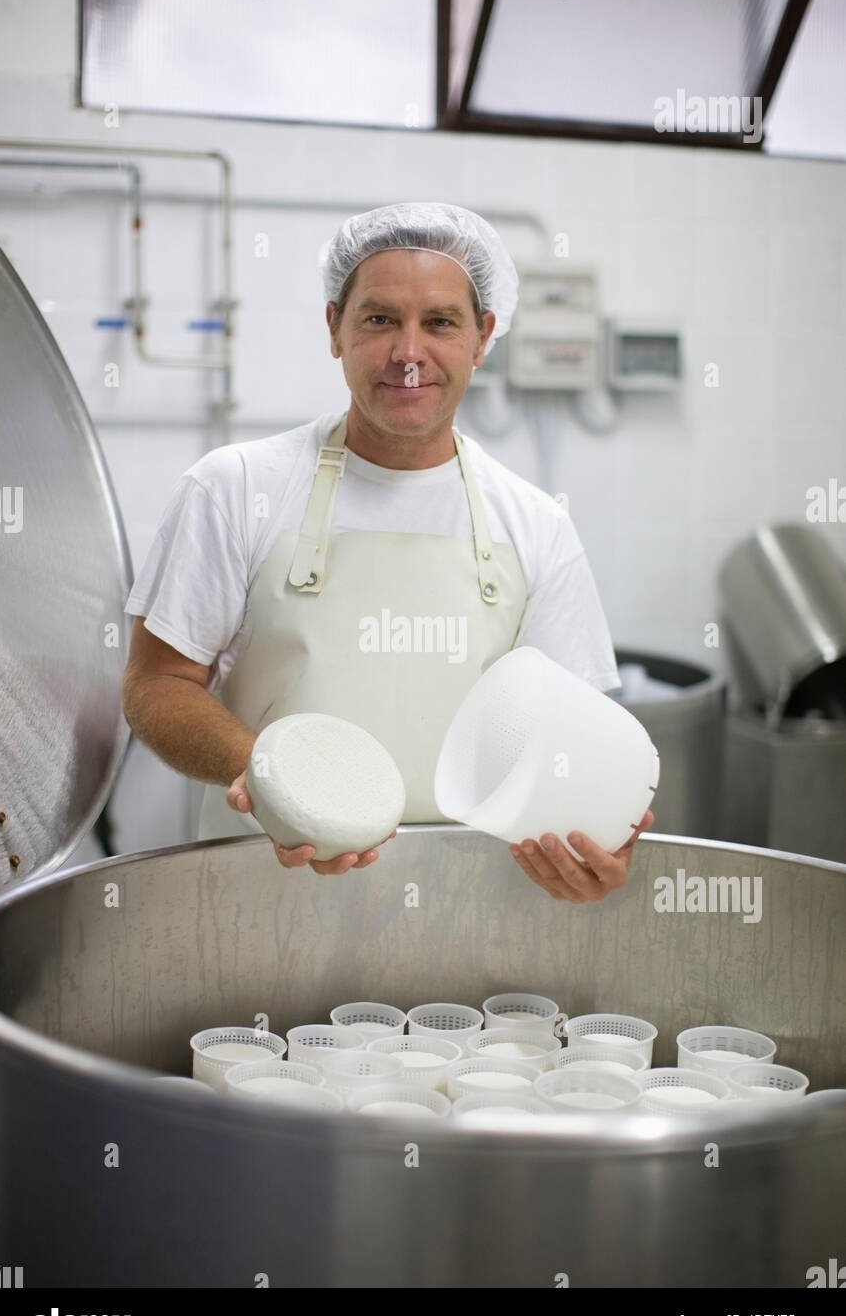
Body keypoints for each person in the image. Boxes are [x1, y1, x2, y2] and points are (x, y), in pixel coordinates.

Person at [122, 201, 653, 903]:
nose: (409, 353)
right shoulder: (237, 488)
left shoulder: (535, 525)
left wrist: (589, 847)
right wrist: (274, 774)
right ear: (335, 328)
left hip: (467, 910)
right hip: (261, 897)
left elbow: (564, 748)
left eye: (439, 322)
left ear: (482, 337)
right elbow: (154, 686)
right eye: (379, 319)